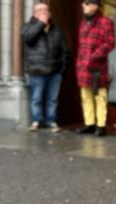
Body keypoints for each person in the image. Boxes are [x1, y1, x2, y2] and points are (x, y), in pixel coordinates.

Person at [21, 0, 68, 133]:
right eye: (40, 10)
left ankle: (51, 121)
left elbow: (64, 50)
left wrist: (62, 69)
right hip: (36, 69)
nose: (43, 12)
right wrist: (40, 23)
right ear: (34, 14)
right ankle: (36, 121)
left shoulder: (56, 30)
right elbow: (28, 38)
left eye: (45, 10)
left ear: (49, 13)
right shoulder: (28, 27)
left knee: (52, 99)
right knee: (36, 98)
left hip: (55, 70)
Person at [76, 0, 116, 137]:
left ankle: (101, 126)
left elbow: (110, 43)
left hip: (97, 67)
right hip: (83, 66)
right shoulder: (83, 23)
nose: (83, 6)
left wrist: (93, 57)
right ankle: (89, 123)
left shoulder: (105, 22)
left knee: (100, 96)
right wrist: (82, 61)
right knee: (85, 96)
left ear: (94, 6)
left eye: (86, 3)